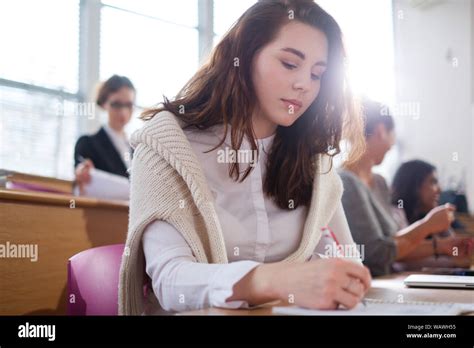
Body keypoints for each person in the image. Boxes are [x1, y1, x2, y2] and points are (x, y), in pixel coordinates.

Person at [119, 0, 371, 315]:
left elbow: (345, 263)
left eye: (317, 75)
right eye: (290, 64)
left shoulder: (311, 161)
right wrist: (274, 280)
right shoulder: (167, 145)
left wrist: (341, 280)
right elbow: (170, 282)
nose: (304, 84)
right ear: (243, 56)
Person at [340, 99, 473, 276]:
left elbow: (395, 247)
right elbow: (376, 253)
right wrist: (426, 226)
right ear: (381, 131)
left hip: (390, 282)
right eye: (392, 134)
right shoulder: (345, 182)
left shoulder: (379, 182)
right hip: (368, 287)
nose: (392, 144)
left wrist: (442, 246)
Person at [391, 160, 474, 268]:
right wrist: (452, 262)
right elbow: (399, 261)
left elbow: (457, 255)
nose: (440, 190)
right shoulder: (395, 214)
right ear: (414, 185)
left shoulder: (434, 216)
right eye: (433, 182)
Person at [74, 75, 135, 193]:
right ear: (103, 104)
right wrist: (82, 172)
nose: (123, 112)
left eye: (128, 105)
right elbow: (80, 186)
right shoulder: (87, 144)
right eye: (116, 104)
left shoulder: (137, 149)